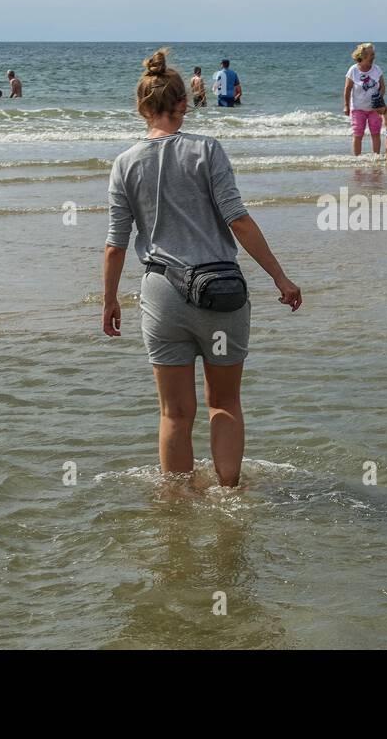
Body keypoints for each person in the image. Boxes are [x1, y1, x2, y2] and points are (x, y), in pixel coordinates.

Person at [102, 48, 302, 487]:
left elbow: (116, 244)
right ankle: (229, 494)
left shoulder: (124, 163)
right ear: (183, 105)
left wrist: (110, 300)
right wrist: (279, 277)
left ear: (141, 108)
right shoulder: (206, 150)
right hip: (220, 293)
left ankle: (177, 504)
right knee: (224, 403)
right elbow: (239, 220)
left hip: (161, 294)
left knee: (174, 411)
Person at [343, 43, 385, 155]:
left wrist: (379, 101)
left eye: (373, 54)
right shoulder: (353, 70)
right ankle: (357, 159)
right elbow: (347, 89)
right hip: (357, 109)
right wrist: (346, 106)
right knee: (358, 134)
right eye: (371, 54)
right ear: (363, 55)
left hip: (374, 109)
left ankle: (376, 157)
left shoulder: (377, 69)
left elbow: (383, 87)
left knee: (375, 133)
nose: (373, 57)